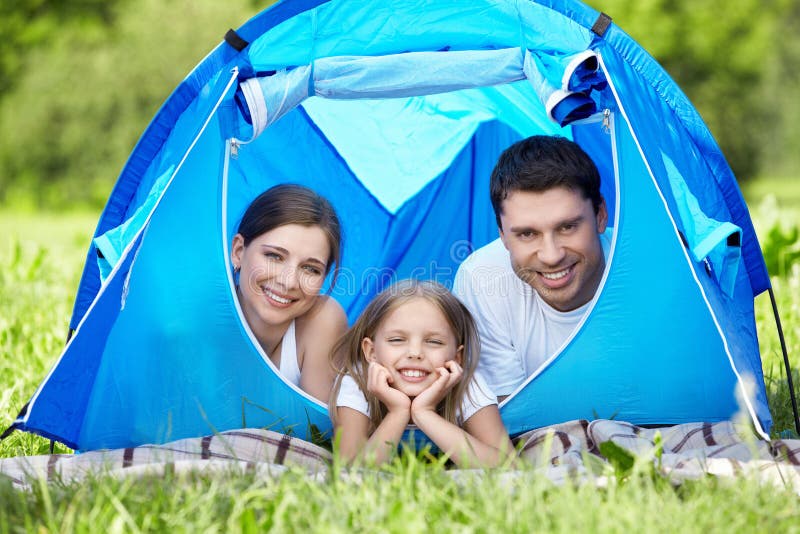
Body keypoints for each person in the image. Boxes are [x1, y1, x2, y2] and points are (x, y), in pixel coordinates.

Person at [453, 135, 611, 400]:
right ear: (502, 234)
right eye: (527, 234)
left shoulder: (651, 263)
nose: (551, 256)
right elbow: (513, 419)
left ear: (600, 215)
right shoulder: (481, 278)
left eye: (567, 227)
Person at [330, 279, 514, 467]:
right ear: (371, 352)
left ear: (457, 357)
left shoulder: (467, 384)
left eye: (434, 342)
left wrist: (425, 413)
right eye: (396, 339)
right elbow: (350, 472)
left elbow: (508, 467)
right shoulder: (357, 382)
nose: (415, 353)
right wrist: (398, 411)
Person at [231, 184, 348, 403]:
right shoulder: (198, 308)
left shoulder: (322, 320)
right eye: (274, 256)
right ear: (238, 251)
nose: (288, 281)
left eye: (310, 269)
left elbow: (316, 433)